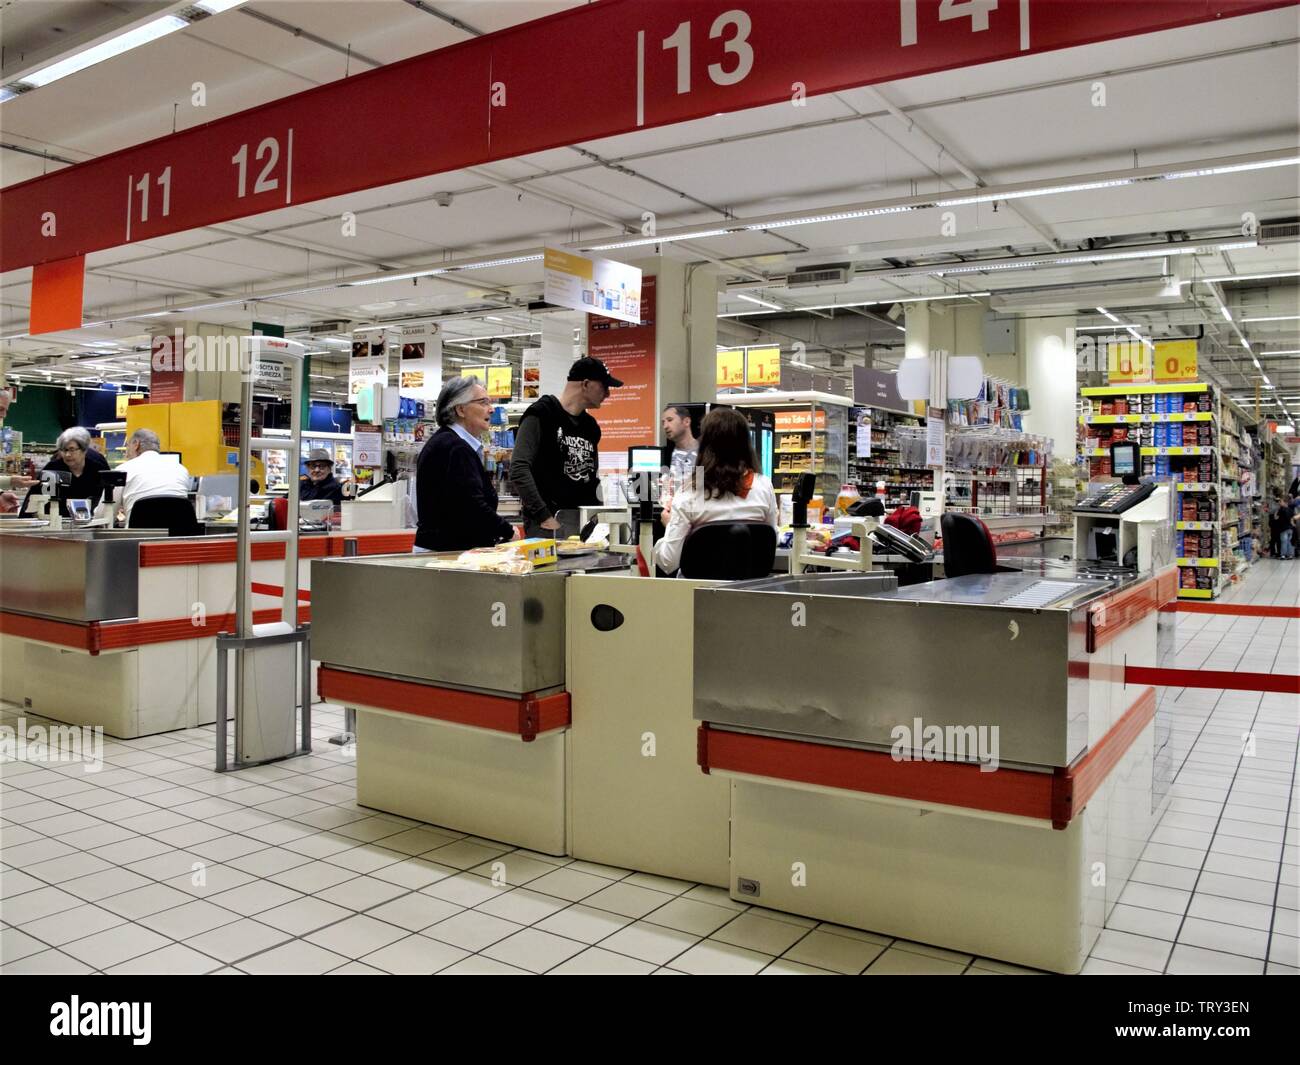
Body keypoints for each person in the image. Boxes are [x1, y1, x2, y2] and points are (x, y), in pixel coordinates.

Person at [652, 407, 778, 575]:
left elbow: (668, 562)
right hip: (750, 591)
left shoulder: (690, 493)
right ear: (746, 444)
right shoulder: (763, 486)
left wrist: (669, 525)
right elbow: (771, 540)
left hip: (695, 595)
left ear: (704, 444)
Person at [511, 356, 622, 539]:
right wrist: (543, 515)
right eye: (604, 386)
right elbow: (518, 468)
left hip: (583, 525)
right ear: (585, 384)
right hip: (548, 525)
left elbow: (592, 477)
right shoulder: (541, 414)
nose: (608, 394)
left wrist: (599, 521)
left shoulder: (590, 427)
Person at [415, 378, 517, 552]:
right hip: (449, 555)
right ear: (461, 409)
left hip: (444, 550)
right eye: (483, 402)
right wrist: (508, 530)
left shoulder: (445, 442)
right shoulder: (455, 448)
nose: (491, 409)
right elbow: (471, 505)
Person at [118, 429, 193, 522]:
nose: (127, 454)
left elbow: (104, 512)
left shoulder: (123, 470)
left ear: (136, 444)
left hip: (139, 534)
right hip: (179, 533)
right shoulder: (182, 469)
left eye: (127, 446)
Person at [33, 427, 109, 514]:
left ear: (84, 450)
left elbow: (109, 495)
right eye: (64, 450)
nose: (67, 455)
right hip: (58, 522)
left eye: (72, 449)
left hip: (94, 522)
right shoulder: (52, 470)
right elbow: (38, 500)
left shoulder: (98, 468)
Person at [659, 403, 700, 520]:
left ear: (686, 422)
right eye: (663, 423)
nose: (665, 426)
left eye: (670, 420)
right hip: (672, 519)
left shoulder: (703, 454)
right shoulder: (666, 455)